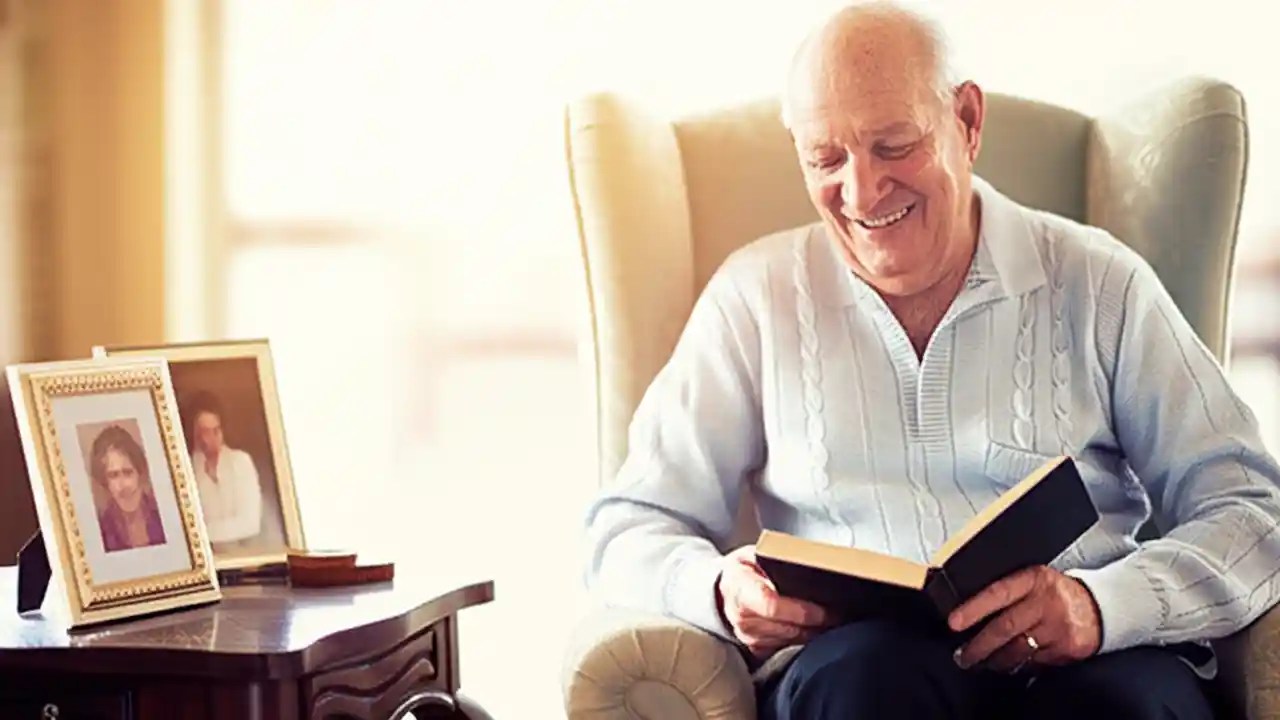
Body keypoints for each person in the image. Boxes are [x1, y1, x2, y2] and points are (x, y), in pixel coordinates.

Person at [582, 2, 1280, 718]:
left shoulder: (1100, 283)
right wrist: (717, 589)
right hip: (862, 672)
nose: (861, 192)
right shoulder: (754, 299)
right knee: (862, 681)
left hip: (1092, 663)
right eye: (826, 158)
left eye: (894, 145)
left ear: (967, 122)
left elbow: (1254, 512)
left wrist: (1100, 606)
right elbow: (626, 526)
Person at [184, 390, 263, 546]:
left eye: (216, 430)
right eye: (204, 432)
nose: (210, 438)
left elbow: (251, 523)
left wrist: (203, 533)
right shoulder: (187, 470)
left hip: (244, 559)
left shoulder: (241, 462)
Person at [90, 424, 166, 552]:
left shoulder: (162, 515)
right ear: (105, 482)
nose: (123, 485)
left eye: (128, 472)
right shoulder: (101, 531)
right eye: (113, 475)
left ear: (139, 473)